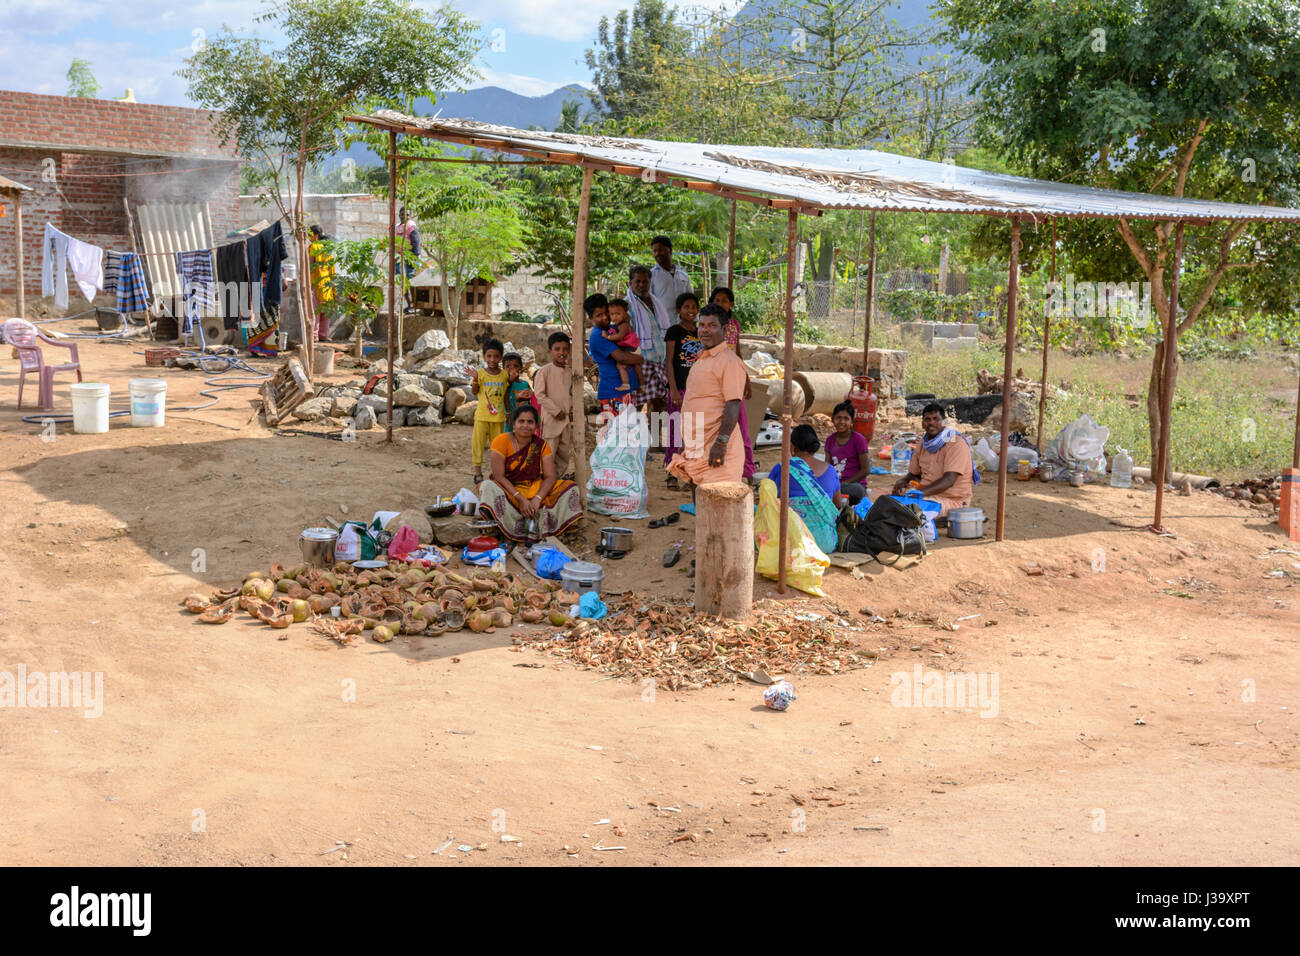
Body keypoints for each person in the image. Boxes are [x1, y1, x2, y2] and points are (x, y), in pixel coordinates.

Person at [666, 305, 748, 491]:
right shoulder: (701, 360)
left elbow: (733, 404)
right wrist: (686, 444)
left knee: (717, 509)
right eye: (701, 325)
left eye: (711, 325)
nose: (705, 330)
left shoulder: (730, 362)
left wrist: (721, 443)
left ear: (725, 329)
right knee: (701, 507)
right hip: (697, 448)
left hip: (717, 452)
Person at [478, 404, 584, 543]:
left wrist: (537, 498)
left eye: (530, 422)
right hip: (509, 491)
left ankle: (540, 525)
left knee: (571, 488)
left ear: (536, 426)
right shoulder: (501, 441)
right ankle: (500, 528)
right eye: (521, 421)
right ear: (513, 424)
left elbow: (550, 476)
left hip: (534, 489)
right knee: (486, 486)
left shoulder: (541, 445)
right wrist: (521, 499)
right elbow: (499, 476)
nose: (525, 426)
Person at [766, 423, 844, 555]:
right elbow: (837, 505)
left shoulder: (781, 468)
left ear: (793, 447)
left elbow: (768, 503)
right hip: (824, 544)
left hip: (789, 543)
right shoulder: (830, 470)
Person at [891, 402, 981, 515]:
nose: (931, 423)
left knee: (903, 509)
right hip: (925, 495)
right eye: (927, 419)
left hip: (951, 501)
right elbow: (915, 474)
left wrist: (918, 493)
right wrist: (902, 481)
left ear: (944, 422)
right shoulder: (923, 442)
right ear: (923, 424)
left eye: (936, 419)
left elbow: (949, 480)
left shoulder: (955, 442)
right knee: (878, 497)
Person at [709, 286, 757, 481]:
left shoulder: (734, 325)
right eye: (716, 300)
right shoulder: (706, 324)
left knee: (741, 424)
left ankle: (747, 471)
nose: (720, 304)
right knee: (712, 425)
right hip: (713, 380)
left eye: (724, 301)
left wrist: (746, 380)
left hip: (733, 378)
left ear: (731, 305)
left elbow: (737, 353)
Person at [663, 291, 702, 487]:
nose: (691, 310)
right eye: (686, 307)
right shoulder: (674, 332)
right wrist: (673, 389)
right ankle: (671, 474)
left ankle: (692, 472)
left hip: (698, 392)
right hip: (679, 389)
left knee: (695, 433)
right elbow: (669, 362)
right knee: (675, 432)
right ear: (678, 310)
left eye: (694, 307)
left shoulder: (702, 332)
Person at [586, 292, 643, 417]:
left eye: (607, 312)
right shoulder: (598, 335)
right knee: (617, 434)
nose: (605, 317)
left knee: (628, 433)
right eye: (599, 315)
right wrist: (641, 359)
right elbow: (621, 357)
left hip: (625, 390)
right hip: (614, 391)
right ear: (591, 318)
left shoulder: (611, 329)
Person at [626, 265, 673, 414]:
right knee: (635, 405)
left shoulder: (656, 303)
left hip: (659, 361)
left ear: (649, 283)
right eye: (637, 282)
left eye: (645, 282)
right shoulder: (627, 306)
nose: (641, 285)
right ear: (630, 283)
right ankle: (631, 436)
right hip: (640, 363)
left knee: (658, 405)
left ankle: (654, 437)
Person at [532, 331, 574, 477]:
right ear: (550, 351)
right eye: (557, 349)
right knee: (549, 451)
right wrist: (556, 411)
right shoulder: (544, 371)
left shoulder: (571, 373)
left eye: (564, 349)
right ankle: (545, 480)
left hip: (566, 419)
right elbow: (540, 395)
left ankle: (557, 480)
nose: (561, 353)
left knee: (563, 452)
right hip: (551, 419)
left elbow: (572, 394)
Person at [470, 338, 509, 484]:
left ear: (500, 357)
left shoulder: (504, 375)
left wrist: (508, 413)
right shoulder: (480, 374)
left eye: (496, 356)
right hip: (481, 417)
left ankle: (496, 473)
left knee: (498, 447)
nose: (492, 359)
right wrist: (475, 379)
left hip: (498, 418)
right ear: (484, 356)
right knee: (478, 444)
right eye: (489, 356)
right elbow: (475, 392)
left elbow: (505, 395)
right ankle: (478, 473)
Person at [825, 401, 871, 506]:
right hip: (835, 484)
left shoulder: (858, 439)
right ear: (832, 420)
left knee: (856, 490)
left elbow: (866, 470)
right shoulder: (830, 440)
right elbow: (827, 466)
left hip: (853, 485)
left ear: (852, 422)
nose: (842, 422)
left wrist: (844, 484)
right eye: (838, 418)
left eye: (846, 419)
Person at [601, 298, 640, 392]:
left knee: (620, 366)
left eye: (618, 314)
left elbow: (619, 336)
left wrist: (608, 337)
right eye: (612, 314)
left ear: (625, 313)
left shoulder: (624, 325)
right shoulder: (618, 324)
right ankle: (640, 384)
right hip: (627, 347)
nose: (615, 317)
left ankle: (626, 384)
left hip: (628, 347)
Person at [307, 224, 335, 343]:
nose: (308, 237)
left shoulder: (313, 246)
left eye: (310, 235)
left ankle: (314, 336)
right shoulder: (328, 249)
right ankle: (323, 334)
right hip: (327, 283)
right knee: (325, 311)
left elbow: (309, 265)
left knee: (315, 310)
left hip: (316, 282)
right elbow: (332, 269)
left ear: (316, 236)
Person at [650, 235, 693, 307]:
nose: (657, 253)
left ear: (670, 249)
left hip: (682, 318)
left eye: (660, 250)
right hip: (662, 318)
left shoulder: (683, 275)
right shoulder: (651, 275)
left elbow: (691, 300)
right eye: (654, 251)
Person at [393, 206, 421, 313]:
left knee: (410, 282)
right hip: (399, 258)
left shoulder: (411, 227)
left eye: (407, 214)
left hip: (409, 258)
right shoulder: (397, 227)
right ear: (399, 215)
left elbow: (416, 244)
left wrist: (414, 259)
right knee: (402, 283)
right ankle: (410, 305)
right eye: (402, 214)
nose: (404, 216)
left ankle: (414, 305)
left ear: (410, 216)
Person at [503, 352, 540, 417]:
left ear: (521, 367)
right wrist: (510, 382)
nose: (512, 369)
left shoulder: (525, 384)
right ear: (503, 368)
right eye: (508, 366)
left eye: (516, 366)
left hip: (523, 417)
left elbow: (531, 399)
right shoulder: (503, 384)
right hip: (508, 417)